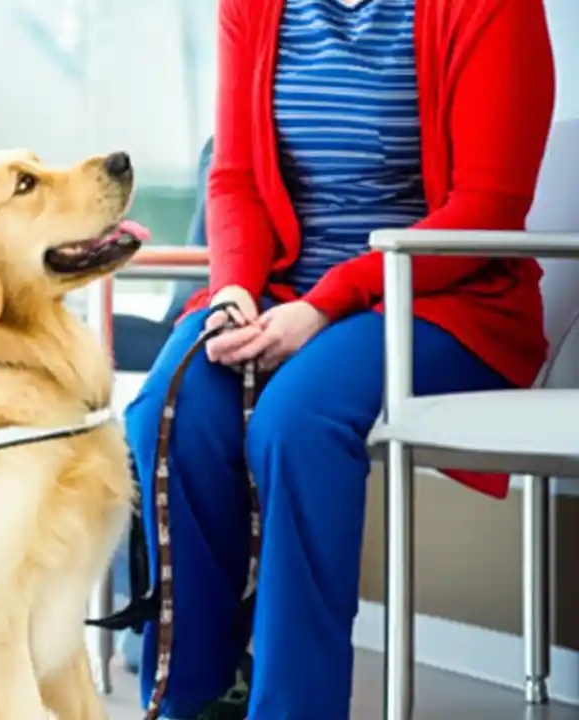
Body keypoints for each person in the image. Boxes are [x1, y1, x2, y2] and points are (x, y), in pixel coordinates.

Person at [122, 0, 556, 718]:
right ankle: (195, 697)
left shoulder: (495, 8)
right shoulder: (254, 10)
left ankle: (296, 706)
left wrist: (326, 304)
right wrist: (233, 287)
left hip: (434, 299)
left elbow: (488, 208)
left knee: (296, 421)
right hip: (279, 291)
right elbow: (233, 177)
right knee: (172, 410)